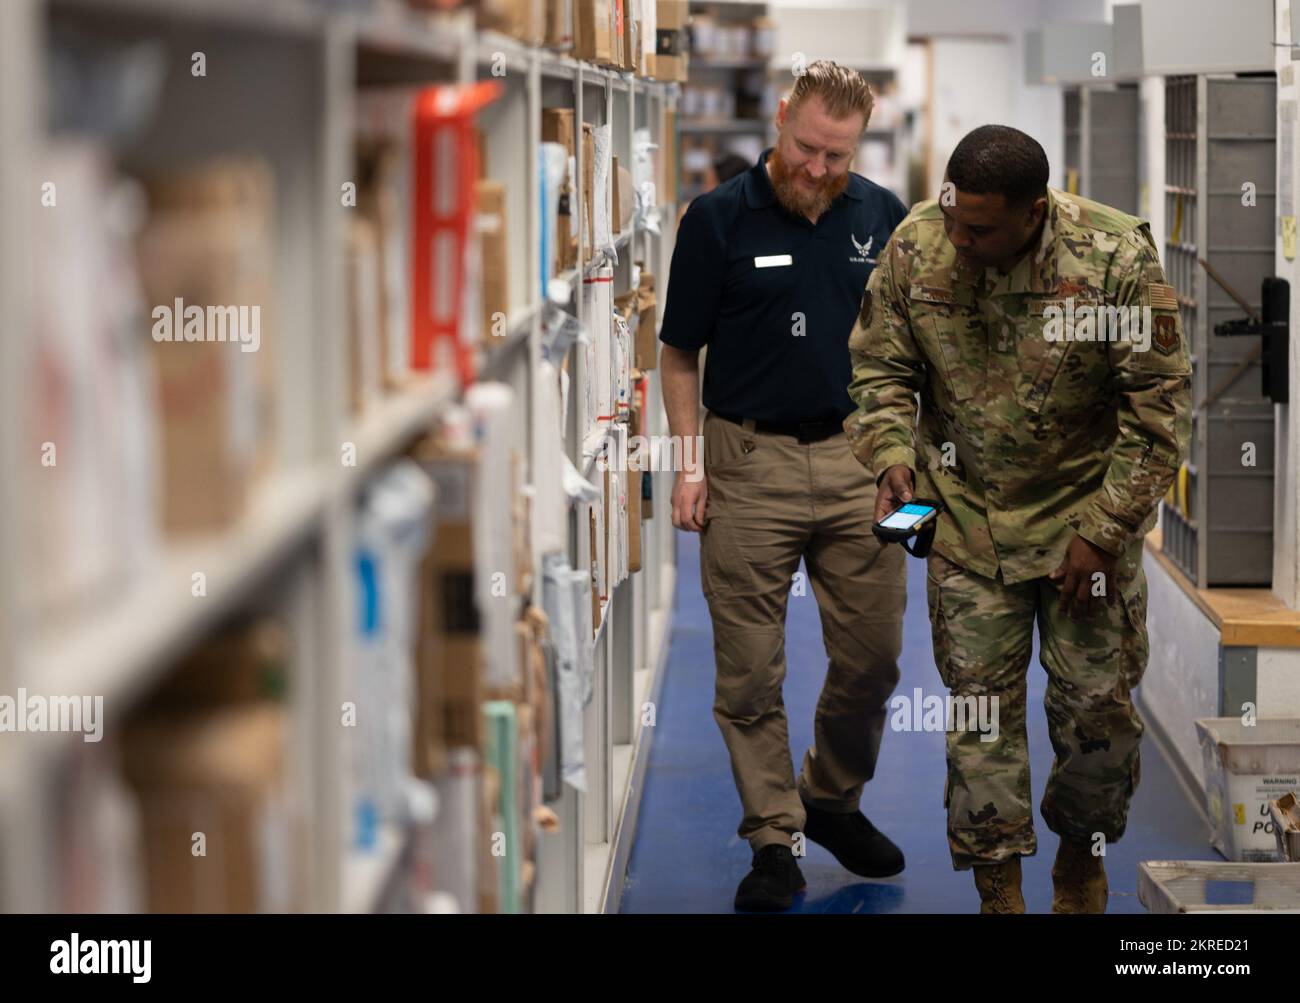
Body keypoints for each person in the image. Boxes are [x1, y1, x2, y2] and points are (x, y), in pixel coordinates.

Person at [844, 124, 1191, 913]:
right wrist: (892, 455)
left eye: (983, 228)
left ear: (1035, 213)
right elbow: (880, 369)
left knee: (1096, 717)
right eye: (955, 218)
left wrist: (1102, 532)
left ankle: (1080, 858)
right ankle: (998, 891)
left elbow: (1158, 418)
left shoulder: (1116, 261)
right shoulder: (918, 245)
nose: (962, 241)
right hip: (964, 519)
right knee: (979, 719)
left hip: (1084, 524)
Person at [658, 60, 910, 912]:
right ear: (780, 119)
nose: (818, 170)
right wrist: (688, 465)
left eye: (837, 157)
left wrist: (910, 467)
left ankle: (831, 798)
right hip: (746, 461)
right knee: (750, 671)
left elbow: (914, 355)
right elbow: (678, 353)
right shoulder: (716, 219)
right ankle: (774, 836)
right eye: (807, 148)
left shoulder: (885, 217)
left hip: (865, 462)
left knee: (874, 656)